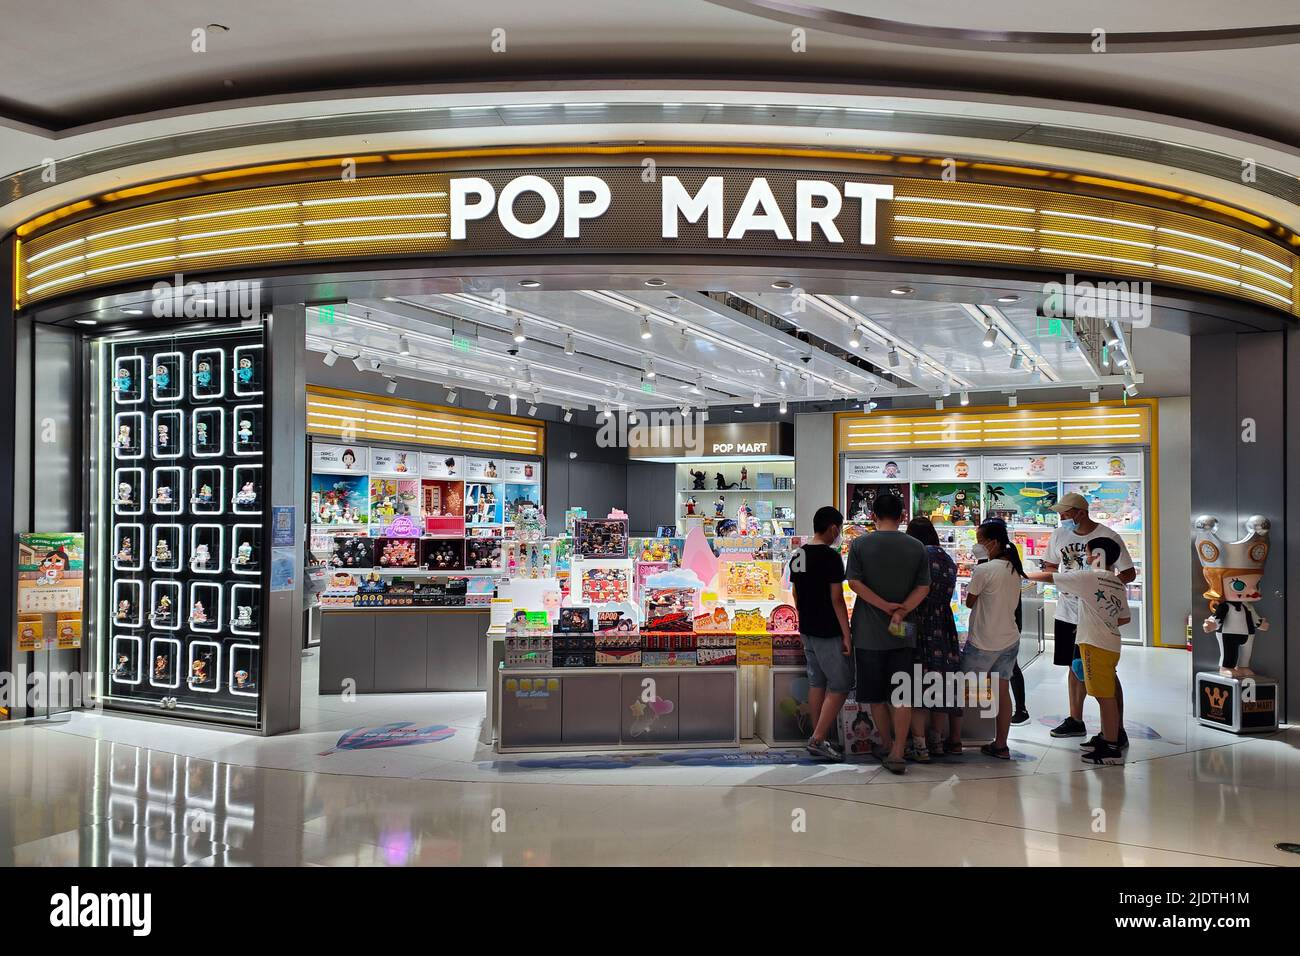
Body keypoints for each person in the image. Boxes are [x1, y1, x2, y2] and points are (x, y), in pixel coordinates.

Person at [844, 493, 930, 774]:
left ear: (873, 516)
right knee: (902, 693)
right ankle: (898, 752)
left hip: (868, 633)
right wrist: (902, 610)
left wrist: (883, 606)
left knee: (876, 696)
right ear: (902, 515)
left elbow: (854, 583)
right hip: (903, 632)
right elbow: (923, 587)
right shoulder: (917, 547)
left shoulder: (860, 544)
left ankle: (889, 743)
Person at [1041, 492, 1135, 744]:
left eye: (1066, 513)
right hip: (1067, 612)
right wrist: (1063, 583)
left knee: (1105, 670)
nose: (1062, 517)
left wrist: (1100, 590)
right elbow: (1049, 567)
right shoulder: (1059, 535)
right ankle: (1075, 719)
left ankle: (1117, 729)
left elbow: (1128, 573)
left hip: (1095, 618)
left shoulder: (1107, 537)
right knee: (1074, 667)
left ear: (1081, 512)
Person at [1028, 536, 1130, 764]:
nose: (1086, 557)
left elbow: (1049, 576)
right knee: (1107, 692)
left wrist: (1018, 573)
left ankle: (1111, 747)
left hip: (1094, 645)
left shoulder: (1088, 577)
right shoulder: (1115, 581)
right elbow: (1123, 618)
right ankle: (1107, 736)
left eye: (1089, 553)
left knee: (1104, 697)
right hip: (1111, 643)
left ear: (1099, 556)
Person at [953, 521, 1026, 759]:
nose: (977, 544)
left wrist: (981, 565)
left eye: (979, 540)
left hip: (983, 642)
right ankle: (1001, 744)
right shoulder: (1014, 567)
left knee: (960, 689)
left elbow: (970, 601)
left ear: (992, 542)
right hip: (1009, 639)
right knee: (1002, 692)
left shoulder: (984, 570)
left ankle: (954, 740)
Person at [788, 505, 852, 761]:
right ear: (833, 528)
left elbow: (795, 594)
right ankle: (818, 739)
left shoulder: (798, 554)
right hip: (828, 629)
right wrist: (846, 633)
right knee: (841, 684)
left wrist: (805, 616)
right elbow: (837, 599)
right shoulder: (831, 557)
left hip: (807, 628)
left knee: (817, 682)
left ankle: (818, 736)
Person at [904, 516, 961, 760]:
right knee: (941, 686)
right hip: (944, 624)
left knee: (915, 685)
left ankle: (920, 746)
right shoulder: (947, 558)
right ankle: (936, 740)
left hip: (919, 623)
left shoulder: (916, 556)